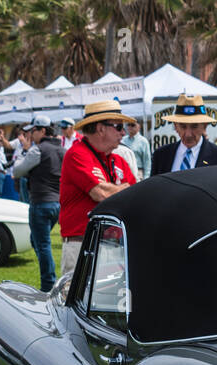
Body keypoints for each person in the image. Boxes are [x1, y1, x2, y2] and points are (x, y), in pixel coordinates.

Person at [59, 100, 137, 279]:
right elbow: (101, 193)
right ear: (101, 128)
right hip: (82, 245)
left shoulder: (117, 160)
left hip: (113, 246)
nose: (123, 132)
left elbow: (136, 196)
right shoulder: (77, 154)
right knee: (79, 296)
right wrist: (124, 188)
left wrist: (117, 190)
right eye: (119, 127)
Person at [11, 114, 67, 292]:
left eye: (33, 130)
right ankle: (50, 280)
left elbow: (17, 171)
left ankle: (48, 285)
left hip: (41, 202)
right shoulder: (63, 150)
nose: (30, 134)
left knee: (42, 245)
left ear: (42, 131)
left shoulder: (37, 150)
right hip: (57, 203)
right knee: (37, 241)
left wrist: (25, 150)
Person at [149, 94, 217, 175]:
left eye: (194, 126)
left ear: (204, 126)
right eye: (183, 126)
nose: (188, 134)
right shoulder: (161, 156)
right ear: (175, 126)